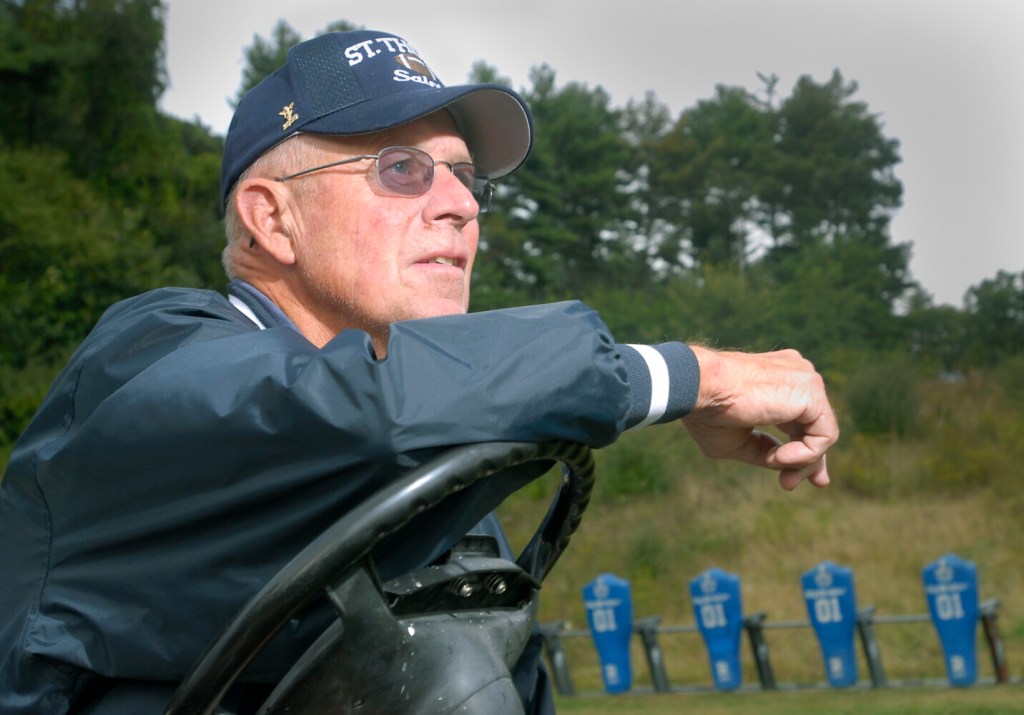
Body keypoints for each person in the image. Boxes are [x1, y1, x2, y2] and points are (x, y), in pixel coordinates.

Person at [0, 29, 837, 714]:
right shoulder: (148, 358)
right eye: (402, 168)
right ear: (272, 218)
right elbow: (341, 411)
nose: (463, 204)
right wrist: (684, 375)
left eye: (469, 179)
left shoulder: (447, 464)